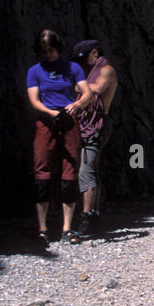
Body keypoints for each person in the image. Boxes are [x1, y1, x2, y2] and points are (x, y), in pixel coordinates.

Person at [26, 28, 93, 245]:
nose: (49, 55)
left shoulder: (72, 68)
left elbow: (87, 92)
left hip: (68, 121)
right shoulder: (34, 71)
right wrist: (52, 113)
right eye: (45, 51)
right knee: (42, 172)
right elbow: (34, 100)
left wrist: (76, 105)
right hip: (46, 122)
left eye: (52, 50)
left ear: (58, 48)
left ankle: (67, 228)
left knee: (69, 172)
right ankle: (42, 228)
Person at [72, 39, 119, 239]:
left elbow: (97, 89)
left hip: (98, 125)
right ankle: (95, 216)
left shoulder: (107, 70)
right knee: (91, 170)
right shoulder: (90, 72)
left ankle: (87, 219)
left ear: (94, 52)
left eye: (84, 59)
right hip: (87, 125)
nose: (82, 64)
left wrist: (75, 85)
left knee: (86, 171)